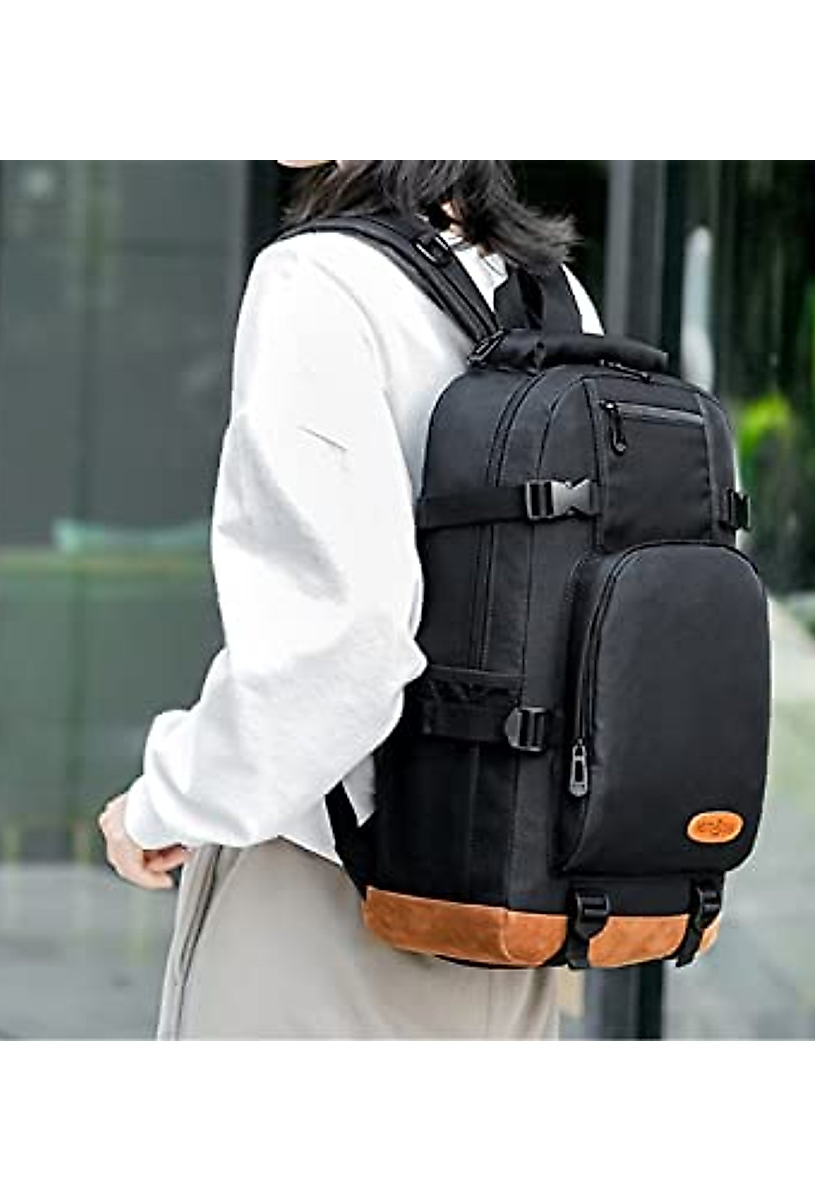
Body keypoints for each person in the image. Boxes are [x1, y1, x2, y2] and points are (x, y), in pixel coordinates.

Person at [97, 160, 603, 1039]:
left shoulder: (319, 278)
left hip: (334, 897)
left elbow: (337, 653)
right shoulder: (551, 294)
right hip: (510, 909)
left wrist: (163, 802)